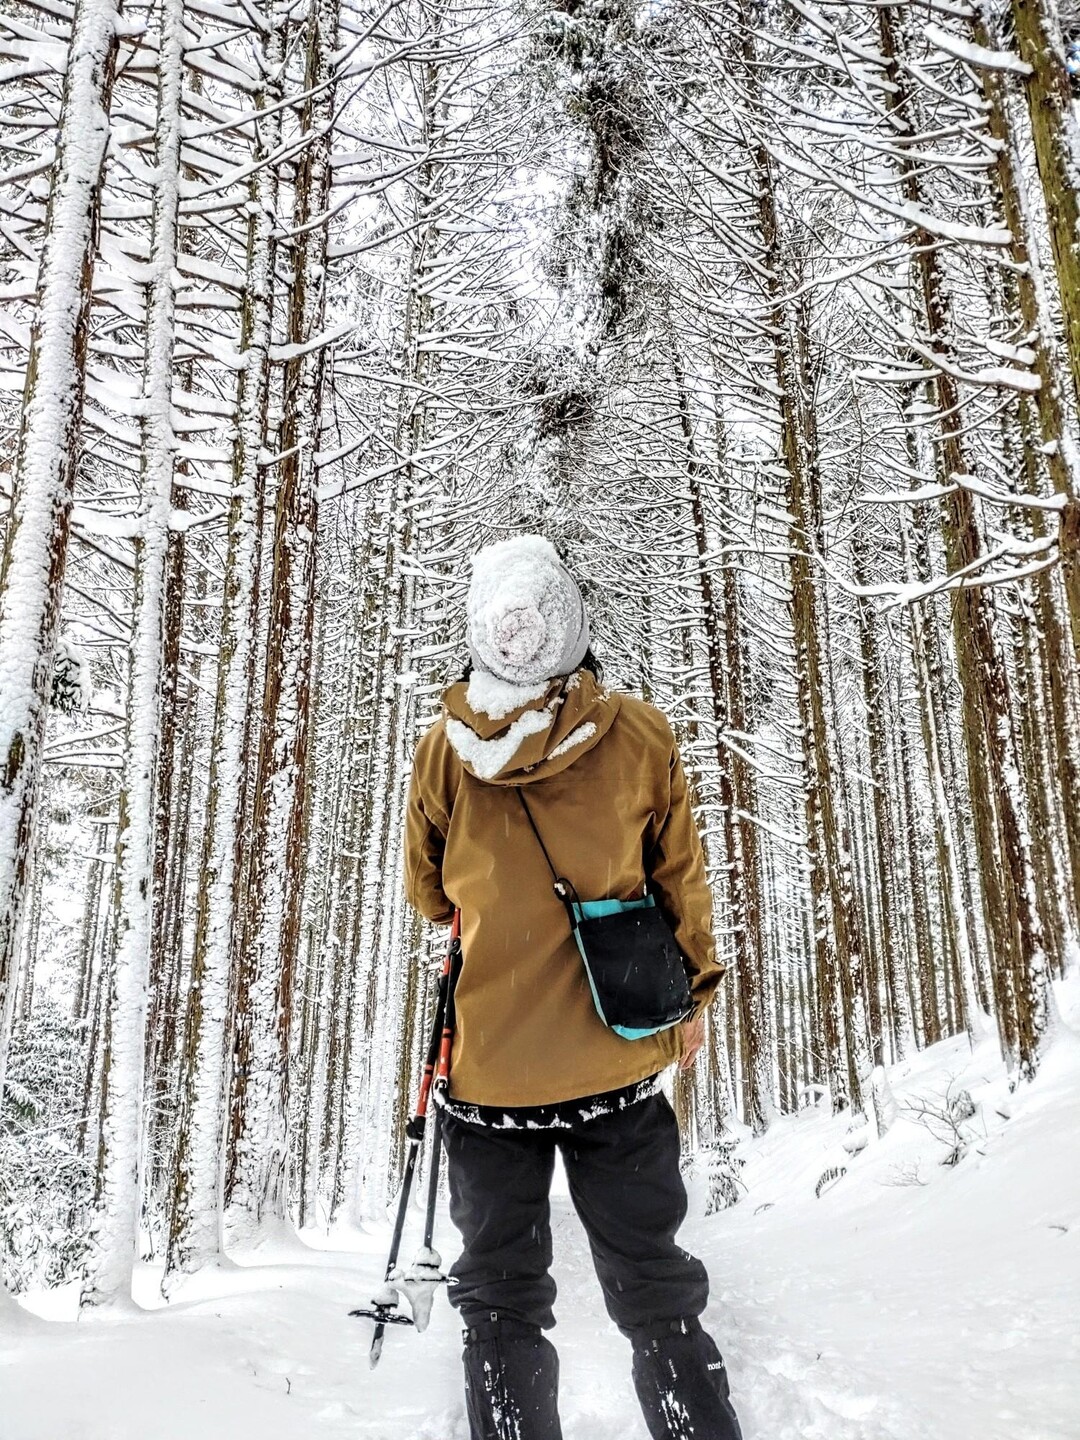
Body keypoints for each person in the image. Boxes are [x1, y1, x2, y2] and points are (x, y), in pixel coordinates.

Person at [404, 534, 742, 1440]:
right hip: (617, 1062)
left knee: (501, 1303)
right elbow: (682, 885)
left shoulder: (443, 752)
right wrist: (696, 998)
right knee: (656, 1289)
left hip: (485, 1077)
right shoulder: (638, 736)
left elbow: (429, 896)